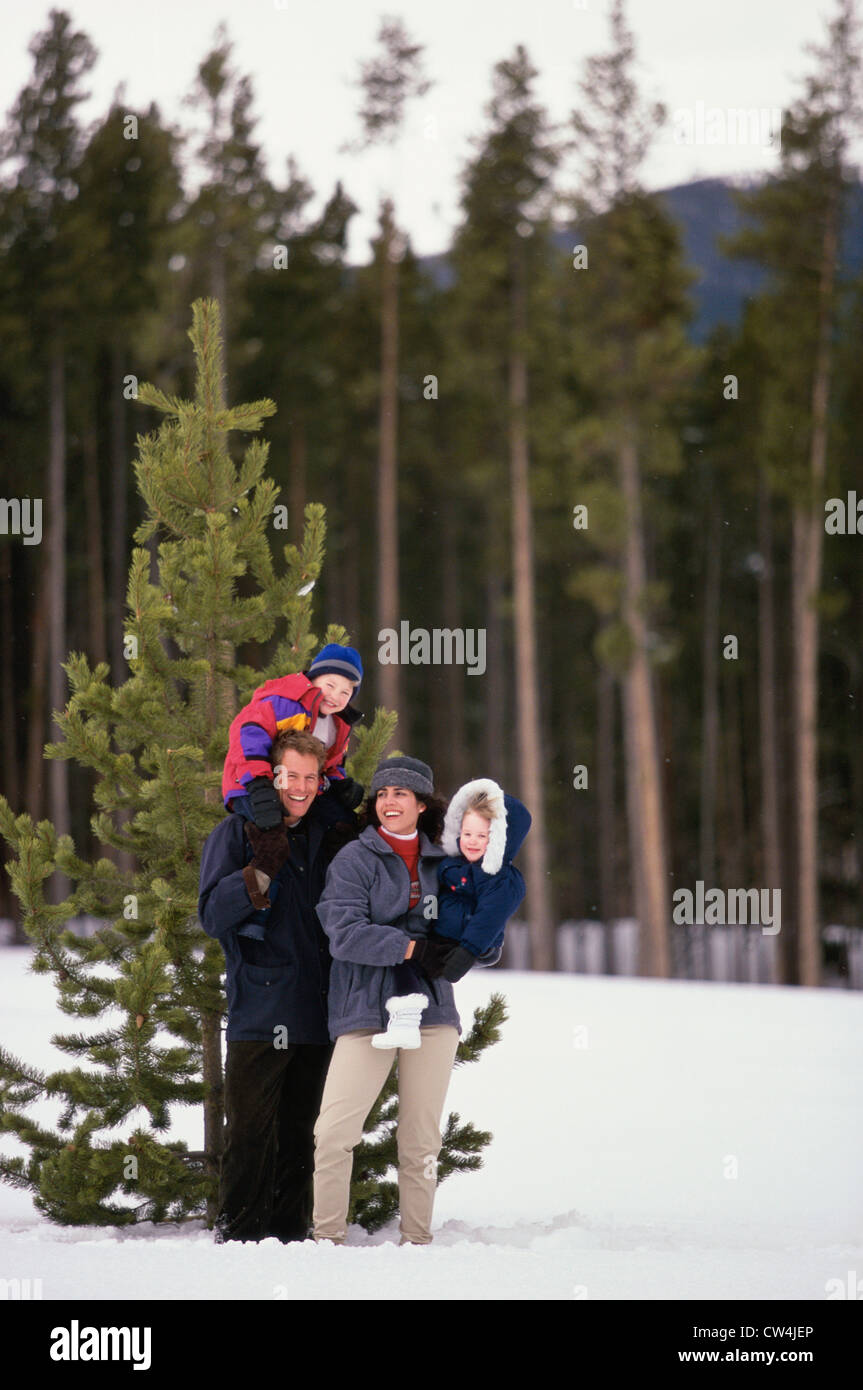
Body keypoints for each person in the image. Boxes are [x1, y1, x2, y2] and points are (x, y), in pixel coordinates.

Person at [312, 754, 501, 1247]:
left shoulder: (448, 864)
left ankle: (417, 1243)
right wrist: (414, 947)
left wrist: (478, 941)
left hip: (433, 1012)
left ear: (422, 804)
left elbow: (475, 936)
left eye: (401, 793)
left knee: (420, 1141)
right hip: (365, 1010)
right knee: (334, 1134)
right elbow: (344, 934)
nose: (389, 801)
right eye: (382, 794)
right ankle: (326, 1240)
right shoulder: (354, 859)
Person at [198, 729, 358, 1243]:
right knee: (247, 1134)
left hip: (317, 1012)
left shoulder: (324, 833)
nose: (302, 787)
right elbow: (212, 914)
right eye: (292, 776)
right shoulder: (237, 832)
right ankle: (238, 1235)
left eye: (312, 778)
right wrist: (261, 868)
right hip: (260, 1009)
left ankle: (290, 1236)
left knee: (302, 1135)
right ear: (273, 775)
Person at [370, 777, 530, 1049]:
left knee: (407, 961)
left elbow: (489, 918)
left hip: (467, 944)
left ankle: (407, 1019)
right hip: (442, 937)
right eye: (467, 834)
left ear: (499, 840)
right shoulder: (453, 865)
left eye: (482, 836)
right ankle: (402, 1019)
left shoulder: (500, 878)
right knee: (402, 956)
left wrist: (468, 950)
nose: (472, 842)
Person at [221, 643, 366, 830]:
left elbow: (331, 765)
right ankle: (261, 857)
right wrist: (260, 786)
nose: (334, 696)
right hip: (252, 785)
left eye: (345, 692)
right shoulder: (284, 704)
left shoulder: (338, 725)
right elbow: (248, 740)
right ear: (312, 679)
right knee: (270, 827)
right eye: (330, 685)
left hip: (300, 792)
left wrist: (339, 785)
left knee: (341, 823)